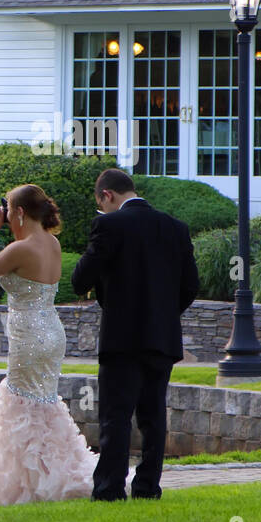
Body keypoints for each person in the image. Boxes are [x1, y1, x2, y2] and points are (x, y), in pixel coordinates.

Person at [71, 168, 199, 501]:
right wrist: (162, 315)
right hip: (162, 338)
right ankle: (147, 488)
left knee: (116, 416)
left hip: (121, 339)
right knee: (153, 417)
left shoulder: (109, 225)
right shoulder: (176, 228)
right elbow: (190, 287)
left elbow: (80, 279)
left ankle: (110, 489)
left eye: (101, 205)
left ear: (106, 195)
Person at [0, 184, 97, 504]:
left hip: (29, 336)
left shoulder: (20, 249)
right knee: (43, 402)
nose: (6, 216)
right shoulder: (52, 243)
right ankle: (57, 471)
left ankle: (30, 484)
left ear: (20, 213)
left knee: (22, 402)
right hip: (52, 332)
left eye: (9, 210)